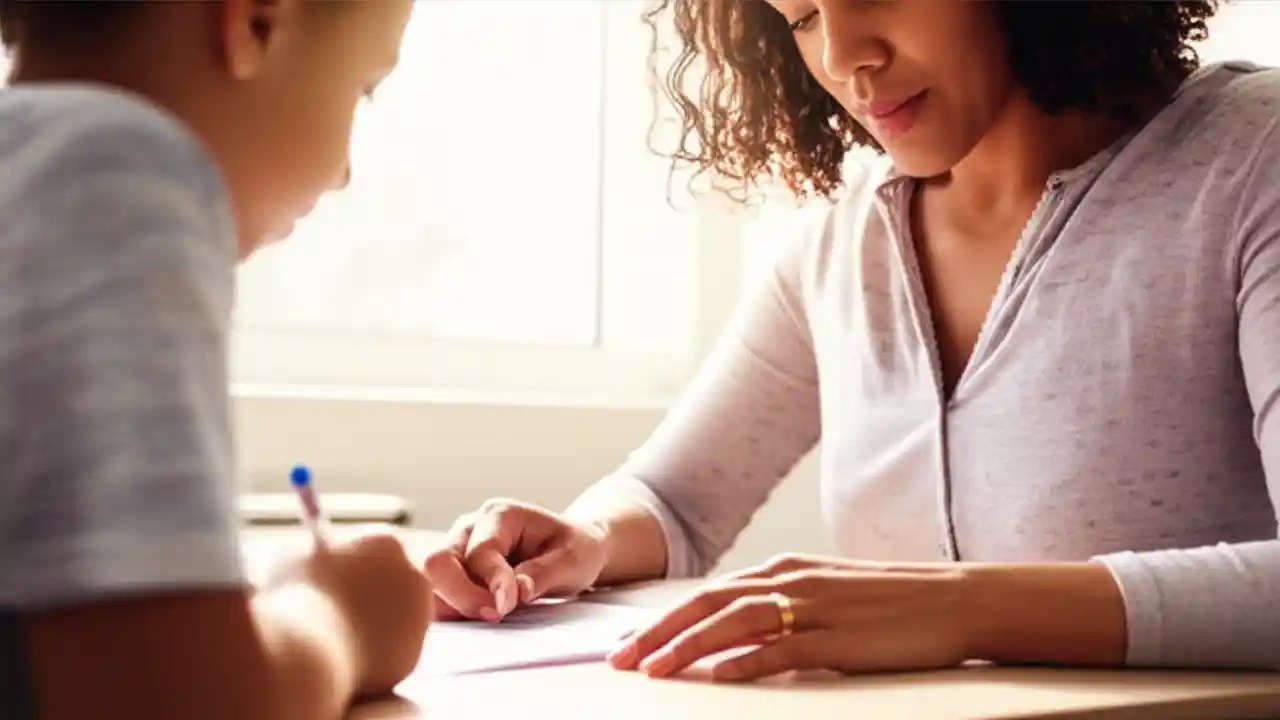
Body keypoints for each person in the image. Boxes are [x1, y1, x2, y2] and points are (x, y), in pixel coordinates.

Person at [427, 0, 1280, 681]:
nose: (841, 56)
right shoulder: (844, 239)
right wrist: (585, 540)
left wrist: (957, 608)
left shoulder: (1252, 160)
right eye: (798, 17)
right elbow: (676, 501)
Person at [0, 2, 431, 718]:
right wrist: (340, 615)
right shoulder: (107, 170)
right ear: (256, 21)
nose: (344, 175)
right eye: (362, 85)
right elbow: (187, 701)